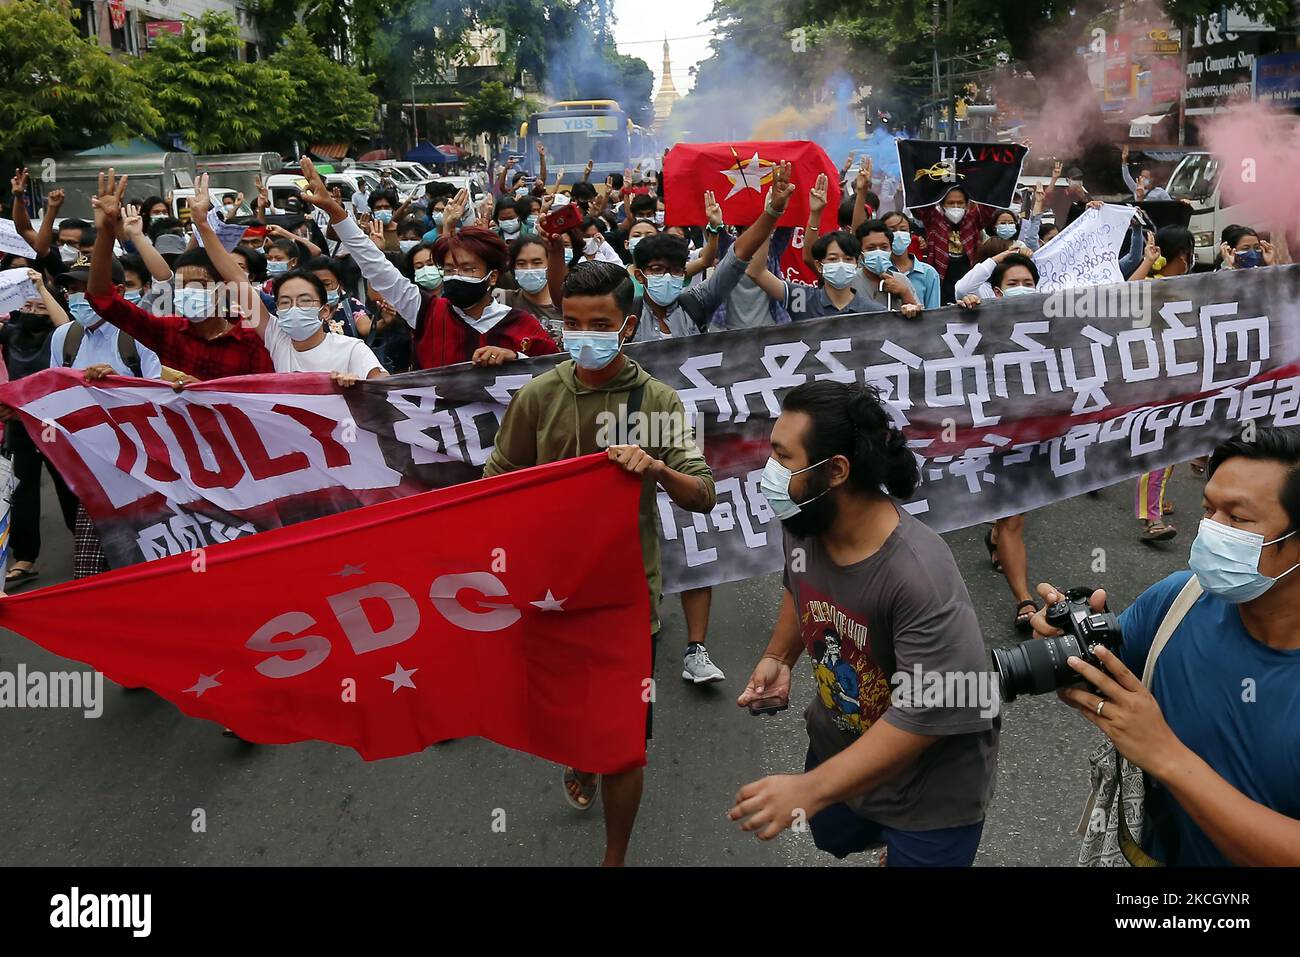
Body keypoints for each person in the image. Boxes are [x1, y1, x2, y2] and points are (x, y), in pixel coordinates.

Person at [483, 260, 717, 866]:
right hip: (555, 596)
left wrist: (657, 468)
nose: (585, 336)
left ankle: (614, 856)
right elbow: (495, 485)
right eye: (573, 324)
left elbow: (702, 494)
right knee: (575, 719)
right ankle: (579, 756)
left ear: (627, 325)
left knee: (624, 746)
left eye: (601, 324)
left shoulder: (658, 401)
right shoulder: (540, 395)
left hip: (628, 602)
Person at [730, 381, 999, 865]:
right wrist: (779, 655)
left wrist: (810, 788)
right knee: (831, 833)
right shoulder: (803, 519)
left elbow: (927, 712)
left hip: (930, 797)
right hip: (844, 750)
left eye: (782, 458)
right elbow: (799, 586)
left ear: (835, 470)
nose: (768, 474)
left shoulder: (919, 575)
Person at [1032, 427, 1300, 865]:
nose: (1211, 532)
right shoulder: (1179, 600)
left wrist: (1165, 756)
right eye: (1208, 508)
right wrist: (1071, 644)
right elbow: (1109, 679)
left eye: (1238, 519)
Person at [300, 159, 558, 369]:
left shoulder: (521, 325)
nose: (456, 277)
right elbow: (375, 264)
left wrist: (516, 360)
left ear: (492, 277)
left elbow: (553, 374)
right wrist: (335, 211)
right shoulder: (424, 311)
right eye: (449, 270)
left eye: (468, 269)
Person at [87, 169, 274, 382]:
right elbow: (103, 300)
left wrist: (204, 391)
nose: (190, 291)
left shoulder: (252, 340)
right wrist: (106, 232)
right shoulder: (168, 333)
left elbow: (262, 398)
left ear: (222, 289)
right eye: (182, 285)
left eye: (201, 284)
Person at [189, 178, 384, 381]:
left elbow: (387, 386)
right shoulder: (277, 338)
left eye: (304, 300)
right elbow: (236, 280)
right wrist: (203, 225)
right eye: (285, 302)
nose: (294, 308)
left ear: (325, 310)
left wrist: (359, 387)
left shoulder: (352, 350)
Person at [621, 160, 795, 343]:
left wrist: (772, 210)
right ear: (640, 277)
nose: (667, 277)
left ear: (684, 273)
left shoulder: (697, 303)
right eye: (657, 270)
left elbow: (738, 256)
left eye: (675, 271)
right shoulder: (625, 315)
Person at [0, 270, 77, 590]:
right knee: (21, 492)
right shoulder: (11, 333)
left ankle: (92, 547)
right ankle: (25, 558)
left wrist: (40, 288)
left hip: (58, 426)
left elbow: (65, 324)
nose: (32, 312)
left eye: (40, 308)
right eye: (28, 307)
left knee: (71, 488)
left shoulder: (60, 336)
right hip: (20, 426)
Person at [749, 229, 889, 321]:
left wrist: (908, 314)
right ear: (819, 265)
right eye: (833, 259)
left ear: (857, 263)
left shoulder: (873, 312)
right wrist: (770, 216)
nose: (840, 265)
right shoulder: (801, 299)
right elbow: (757, 272)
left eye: (847, 259)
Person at [910, 185, 1001, 304]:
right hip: (942, 279)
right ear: (942, 205)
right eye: (951, 203)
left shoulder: (973, 220)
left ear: (967, 204)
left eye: (960, 203)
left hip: (968, 279)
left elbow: (989, 206)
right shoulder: (934, 219)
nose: (956, 207)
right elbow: (918, 206)